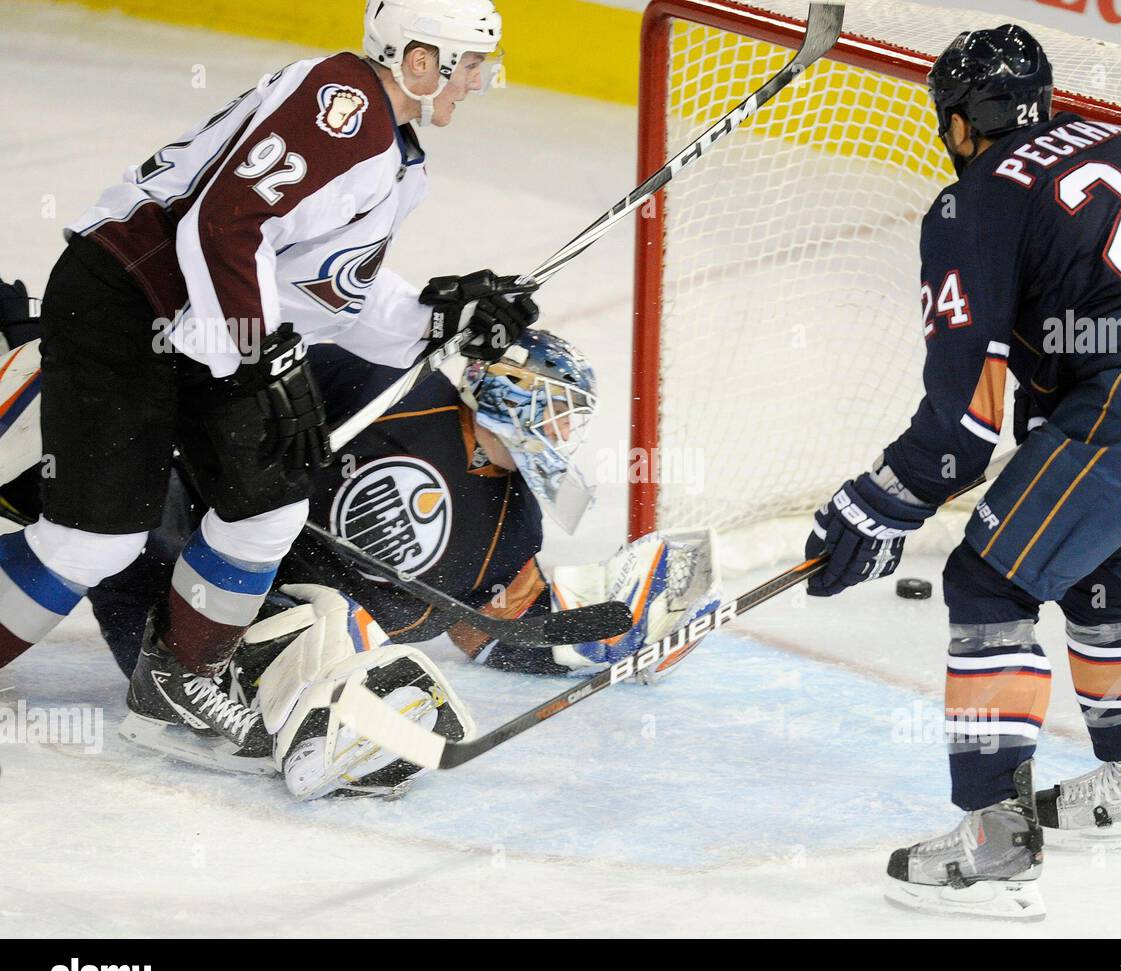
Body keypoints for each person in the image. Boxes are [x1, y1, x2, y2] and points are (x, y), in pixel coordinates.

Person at [803, 25, 1121, 920]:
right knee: (1102, 572)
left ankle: (993, 842)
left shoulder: (972, 201)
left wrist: (875, 505)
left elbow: (963, 431)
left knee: (989, 579)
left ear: (956, 124)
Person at [0, 0, 543, 761]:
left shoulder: (390, 151)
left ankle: (179, 682)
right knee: (94, 541)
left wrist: (437, 316)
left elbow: (321, 290)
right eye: (473, 64)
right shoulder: (341, 107)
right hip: (128, 300)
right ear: (422, 61)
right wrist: (256, 353)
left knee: (270, 503)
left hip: (205, 325)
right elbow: (224, 224)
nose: (480, 82)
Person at [0, 326, 720, 792]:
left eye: (572, 420)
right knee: (113, 514)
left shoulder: (515, 523)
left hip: (254, 622)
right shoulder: (395, 387)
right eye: (554, 409)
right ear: (507, 387)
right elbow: (238, 380)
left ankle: (307, 714)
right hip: (191, 514)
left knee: (320, 632)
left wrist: (611, 635)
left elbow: (492, 628)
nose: (562, 432)